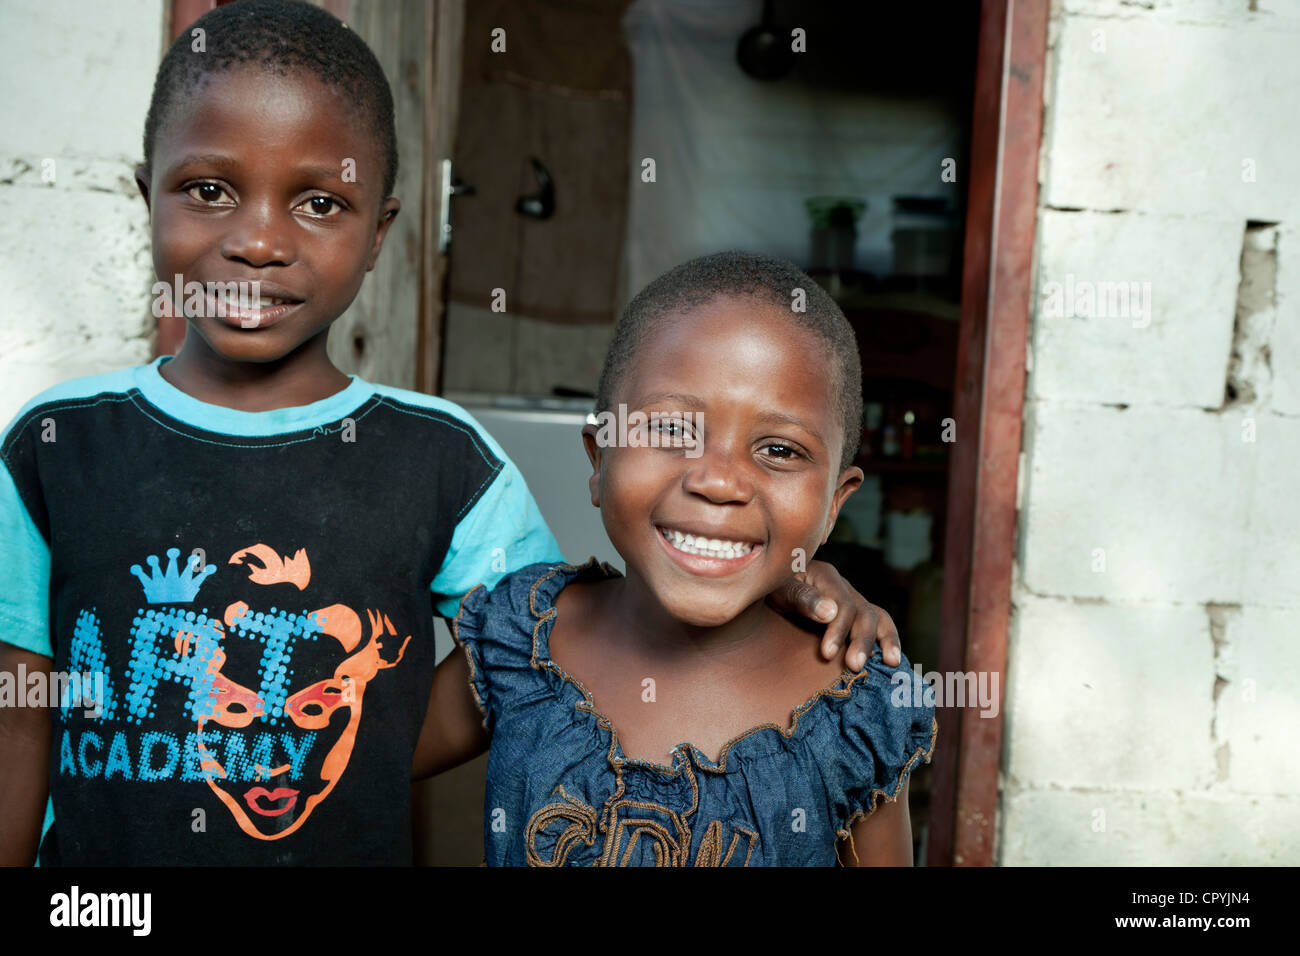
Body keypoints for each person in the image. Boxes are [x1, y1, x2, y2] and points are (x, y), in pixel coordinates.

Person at [0, 1, 895, 866]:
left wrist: (796, 578)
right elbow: (19, 712)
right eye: (207, 190)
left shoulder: (444, 460)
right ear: (143, 193)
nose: (260, 242)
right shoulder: (55, 446)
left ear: (381, 229)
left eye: (318, 202)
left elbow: (559, 651)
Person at [417, 252, 939, 866]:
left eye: (778, 448)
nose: (719, 482)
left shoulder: (856, 714)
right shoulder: (521, 640)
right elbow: (336, 770)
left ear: (833, 505)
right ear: (599, 457)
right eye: (670, 430)